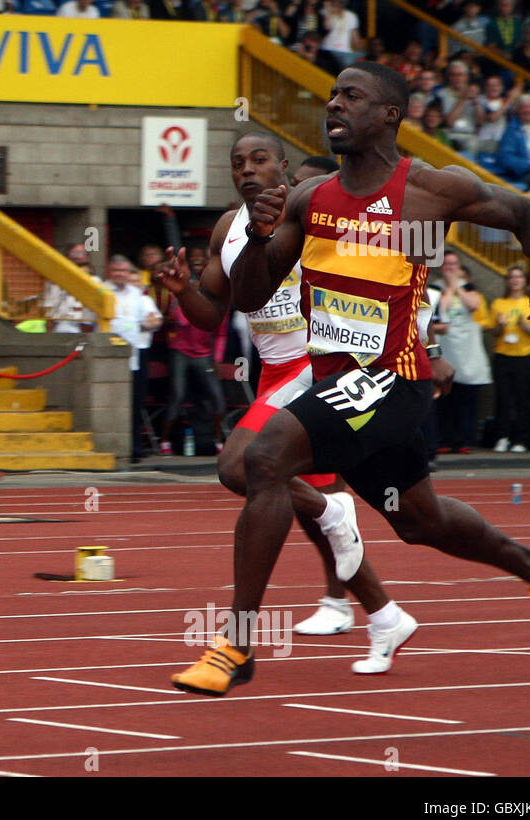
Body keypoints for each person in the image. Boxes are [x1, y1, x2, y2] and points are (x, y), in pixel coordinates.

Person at [172, 61, 530, 697]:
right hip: (336, 383)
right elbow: (252, 296)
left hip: (394, 377)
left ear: (390, 114)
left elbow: (529, 211)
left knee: (263, 459)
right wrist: (258, 237)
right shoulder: (310, 199)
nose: (334, 105)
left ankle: (235, 645)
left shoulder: (431, 190)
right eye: (332, 95)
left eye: (351, 96)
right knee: (419, 521)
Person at [158, 133, 415, 661]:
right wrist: (183, 289)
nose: (247, 171)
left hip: (316, 367)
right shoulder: (229, 229)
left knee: (239, 467)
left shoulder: (313, 214)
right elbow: (212, 314)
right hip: (274, 372)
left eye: (258, 160)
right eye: (237, 163)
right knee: (305, 508)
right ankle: (385, 615)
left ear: (284, 166)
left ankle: (329, 555)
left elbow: (380, 270)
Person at [158, 245, 226, 456]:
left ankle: (217, 439)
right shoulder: (179, 295)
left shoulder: (214, 297)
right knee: (177, 395)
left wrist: (217, 358)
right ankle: (165, 440)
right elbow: (176, 320)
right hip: (181, 351)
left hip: (204, 354)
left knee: (217, 398)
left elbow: (221, 332)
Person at [431, 254, 491, 453]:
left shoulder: (468, 286)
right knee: (444, 398)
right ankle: (445, 439)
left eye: (453, 264)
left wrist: (457, 286)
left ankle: (465, 440)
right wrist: (449, 288)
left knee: (466, 398)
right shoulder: (435, 287)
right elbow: (441, 309)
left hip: (466, 352)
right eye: (446, 264)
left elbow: (473, 305)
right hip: (444, 348)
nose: (449, 267)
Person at [107, 255, 160, 462]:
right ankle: (111, 447)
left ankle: (134, 448)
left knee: (135, 403)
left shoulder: (138, 295)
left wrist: (149, 323)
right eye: (116, 270)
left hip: (134, 355)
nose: (120, 274)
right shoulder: (101, 291)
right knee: (111, 403)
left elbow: (154, 319)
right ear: (110, 272)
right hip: (108, 357)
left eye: (124, 270)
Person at [488, 265, 530, 453]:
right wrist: (500, 326)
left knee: (523, 399)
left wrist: (524, 325)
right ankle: (502, 437)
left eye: (519, 277)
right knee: (502, 398)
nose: (515, 280)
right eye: (512, 277)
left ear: (525, 281)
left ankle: (522, 439)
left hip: (525, 355)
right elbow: (494, 332)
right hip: (502, 355)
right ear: (508, 281)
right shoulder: (499, 303)